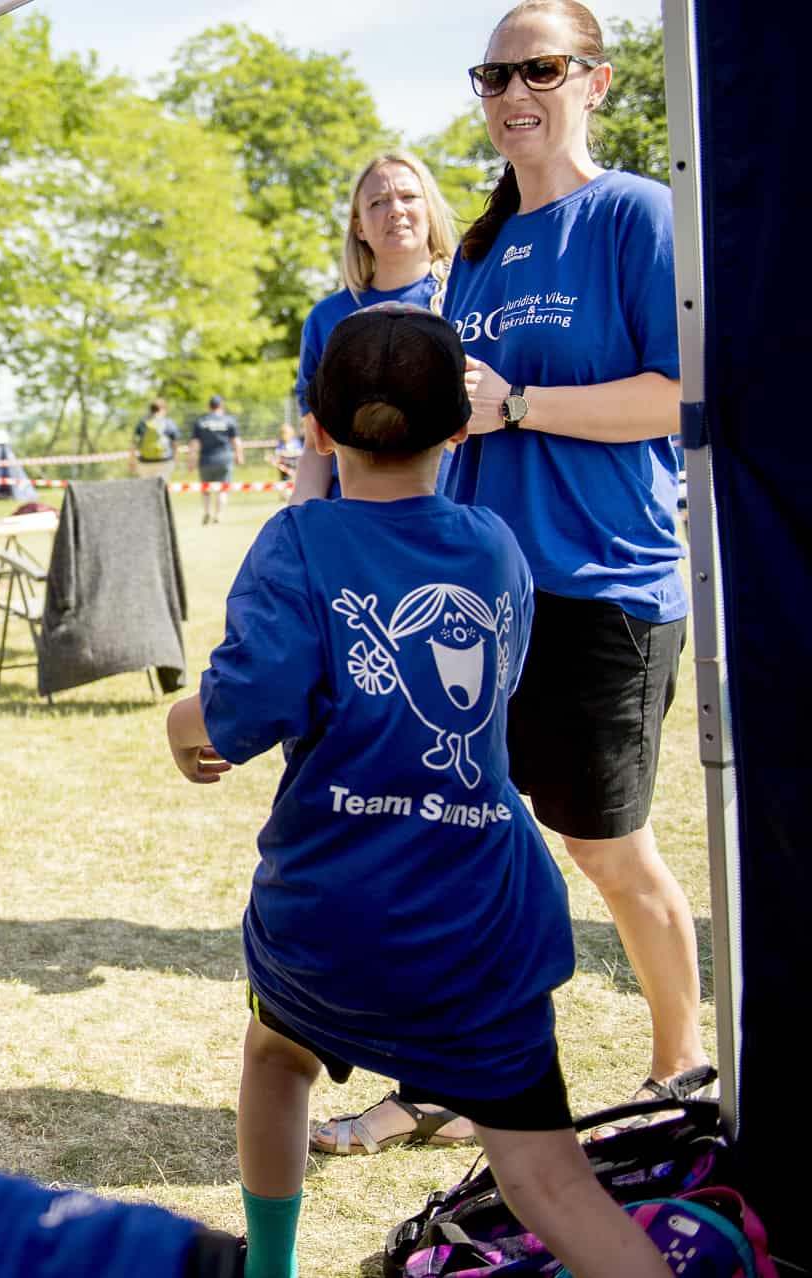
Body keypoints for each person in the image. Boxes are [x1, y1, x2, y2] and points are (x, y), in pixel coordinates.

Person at [166, 304, 668, 1278]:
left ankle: (270, 1269)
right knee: (551, 1181)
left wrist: (179, 730)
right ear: (456, 430)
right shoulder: (492, 548)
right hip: (486, 917)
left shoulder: (298, 541)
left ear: (315, 428)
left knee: (276, 1059)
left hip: (331, 916)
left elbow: (238, 713)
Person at [445, 0, 711, 1117]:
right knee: (481, 845)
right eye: (493, 77)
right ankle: (474, 1075)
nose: (513, 96)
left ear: (595, 82)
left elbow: (674, 396)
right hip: (485, 597)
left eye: (539, 71)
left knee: (606, 850)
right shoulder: (481, 247)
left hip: (609, 585)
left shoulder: (640, 216)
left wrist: (516, 410)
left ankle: (680, 1063)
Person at [290, 152, 459, 506]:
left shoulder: (470, 297)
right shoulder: (327, 319)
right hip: (355, 529)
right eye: (378, 202)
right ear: (359, 227)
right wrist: (297, 524)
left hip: (449, 525)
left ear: (430, 208)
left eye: (408, 196)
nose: (395, 210)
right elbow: (316, 448)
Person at [188, 395, 243, 524]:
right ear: (221, 406)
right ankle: (218, 515)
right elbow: (236, 441)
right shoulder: (229, 421)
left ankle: (206, 512)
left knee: (206, 489)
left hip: (205, 460)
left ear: (209, 406)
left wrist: (191, 461)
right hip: (224, 459)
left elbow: (194, 443)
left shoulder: (201, 421)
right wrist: (239, 456)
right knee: (222, 489)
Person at [133, 399, 178, 476]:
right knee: (162, 486)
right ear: (163, 409)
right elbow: (175, 443)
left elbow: (134, 443)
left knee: (147, 487)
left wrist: (132, 461)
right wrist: (175, 459)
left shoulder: (142, 423)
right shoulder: (168, 422)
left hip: (145, 462)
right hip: (165, 461)